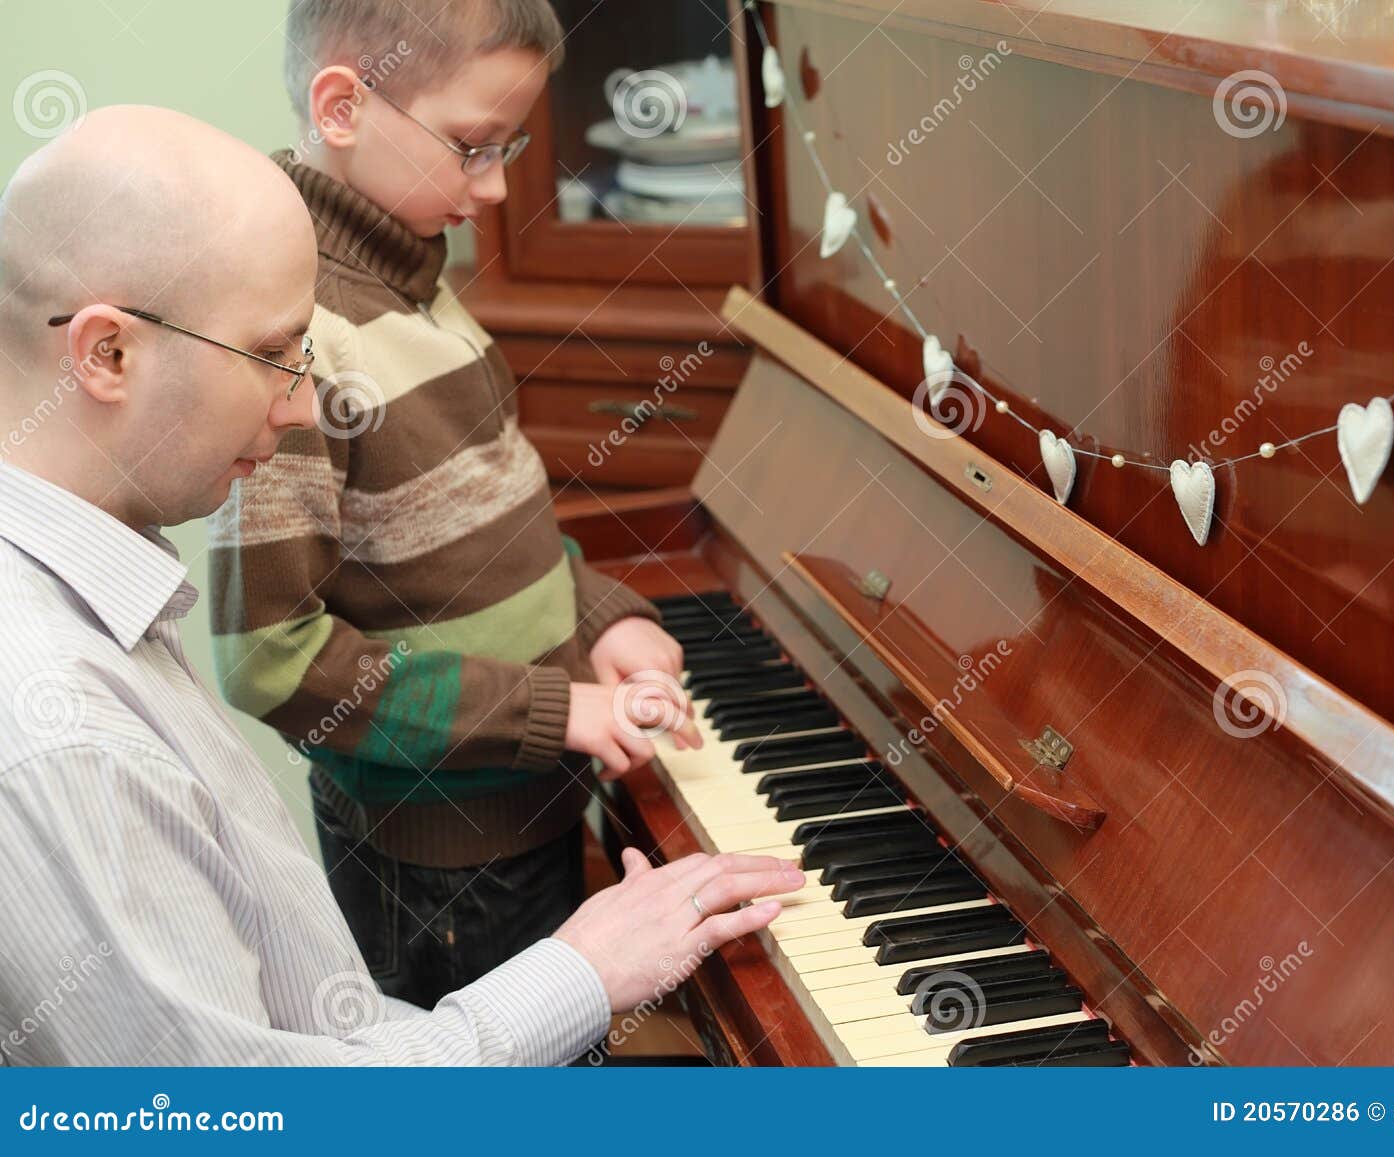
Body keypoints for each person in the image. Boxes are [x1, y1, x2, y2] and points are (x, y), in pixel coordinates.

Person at [0, 104, 801, 1065]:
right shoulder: (63, 737)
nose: (304, 407)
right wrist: (583, 972)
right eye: (272, 355)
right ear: (107, 354)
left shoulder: (98, 575)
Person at [207, 0, 699, 1008]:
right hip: (445, 868)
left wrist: (598, 621)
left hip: (523, 804)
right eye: (473, 147)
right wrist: (557, 707)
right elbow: (272, 660)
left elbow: (479, 529)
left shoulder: (414, 278)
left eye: (509, 145)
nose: (499, 184)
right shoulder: (298, 336)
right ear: (341, 106)